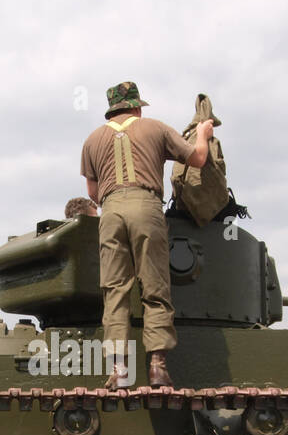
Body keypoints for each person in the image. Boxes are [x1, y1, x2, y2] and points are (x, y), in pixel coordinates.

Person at [80, 81, 213, 389]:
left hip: (110, 212)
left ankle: (119, 371)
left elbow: (93, 192)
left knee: (114, 291)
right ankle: (157, 367)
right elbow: (197, 159)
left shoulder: (92, 140)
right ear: (137, 107)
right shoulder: (155, 127)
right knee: (154, 287)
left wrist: (116, 202)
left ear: (112, 109)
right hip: (146, 207)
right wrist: (203, 135)